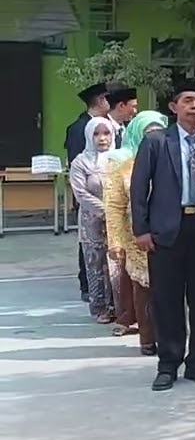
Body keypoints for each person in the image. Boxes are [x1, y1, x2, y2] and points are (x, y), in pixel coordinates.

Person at [131, 80, 195, 392]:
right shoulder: (156, 142)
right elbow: (139, 189)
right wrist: (142, 229)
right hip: (167, 230)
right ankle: (168, 364)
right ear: (174, 107)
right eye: (187, 100)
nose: (194, 106)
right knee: (167, 300)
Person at [104, 111, 167, 355]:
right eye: (147, 132)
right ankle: (148, 339)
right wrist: (116, 241)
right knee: (143, 288)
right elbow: (114, 205)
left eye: (157, 131)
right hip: (136, 236)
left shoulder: (172, 157)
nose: (153, 137)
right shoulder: (122, 165)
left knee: (171, 288)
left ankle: (171, 337)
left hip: (169, 233)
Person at [69, 117, 116, 323]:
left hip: (117, 221)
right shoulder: (81, 162)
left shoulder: (119, 159)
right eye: (97, 134)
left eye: (106, 133)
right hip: (92, 221)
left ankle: (120, 307)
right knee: (95, 263)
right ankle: (100, 307)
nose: (102, 138)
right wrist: (106, 209)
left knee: (117, 264)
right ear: (89, 136)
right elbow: (81, 194)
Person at [66, 82, 109, 301]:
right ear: (100, 100)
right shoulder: (78, 128)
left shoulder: (106, 126)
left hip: (109, 202)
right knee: (90, 250)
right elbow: (76, 162)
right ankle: (89, 287)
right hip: (89, 199)